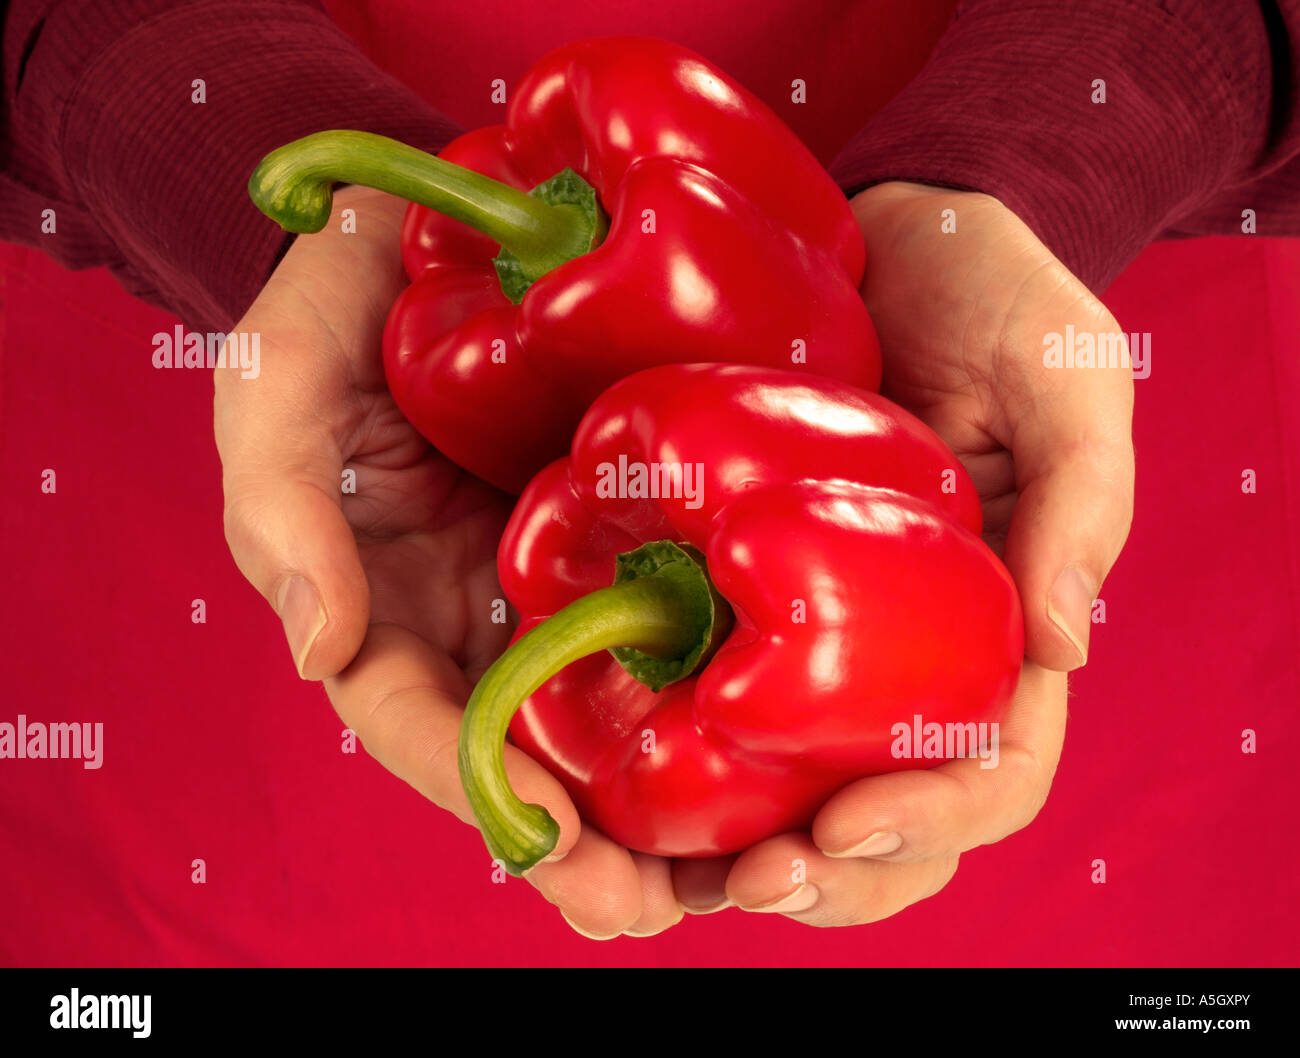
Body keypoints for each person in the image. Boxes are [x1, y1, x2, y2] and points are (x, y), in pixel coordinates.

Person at [3, 0, 1296, 941]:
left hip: (1162, 608)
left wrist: (1052, 149)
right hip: (184, 670)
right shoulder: (454, 340)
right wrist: (174, 95)